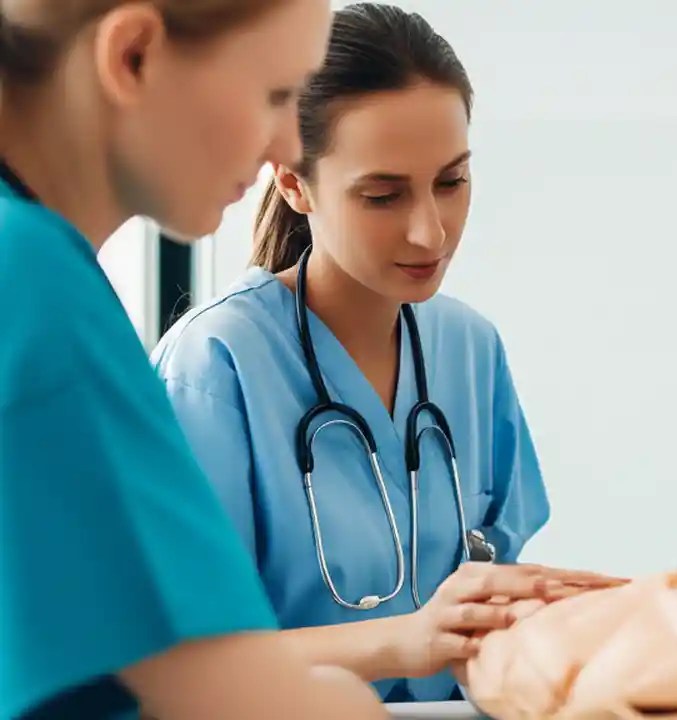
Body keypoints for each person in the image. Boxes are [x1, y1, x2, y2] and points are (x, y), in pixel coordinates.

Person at [150, 3, 618, 703]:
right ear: (293, 182)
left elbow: (486, 594)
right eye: (382, 195)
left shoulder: (469, 350)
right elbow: (184, 663)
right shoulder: (216, 365)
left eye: (452, 182)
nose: (430, 233)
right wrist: (407, 640)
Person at [0, 1, 394, 718]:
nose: (287, 146)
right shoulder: (29, 281)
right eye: (277, 94)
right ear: (133, 57)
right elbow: (246, 704)